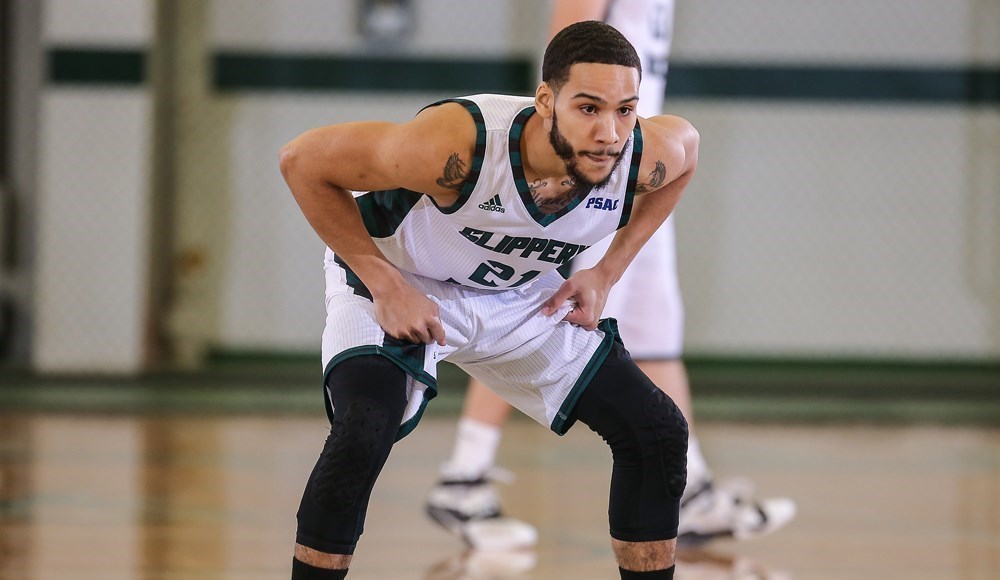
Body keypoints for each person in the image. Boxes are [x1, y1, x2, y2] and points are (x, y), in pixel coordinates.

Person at [280, 20, 698, 579]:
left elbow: (687, 153)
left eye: (625, 110)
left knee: (657, 431)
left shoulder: (638, 155)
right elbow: (302, 161)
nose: (609, 132)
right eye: (588, 108)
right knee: (364, 427)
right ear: (546, 101)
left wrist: (606, 272)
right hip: (403, 277)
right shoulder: (459, 143)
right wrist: (384, 283)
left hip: (516, 295)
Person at [425, 0, 795, 552]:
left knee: (652, 329)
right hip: (592, 171)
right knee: (534, 314)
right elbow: (560, 64)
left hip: (629, 168)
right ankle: (465, 475)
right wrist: (555, 173)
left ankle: (689, 488)